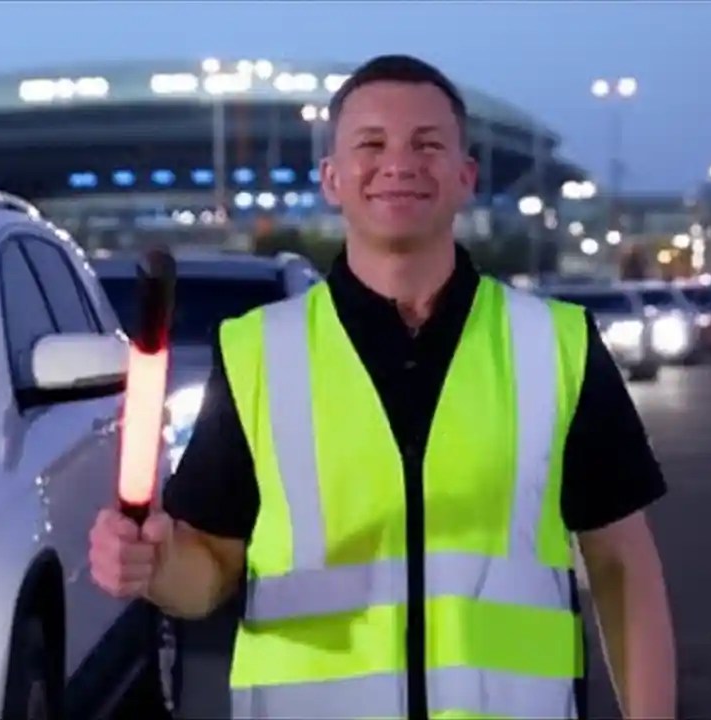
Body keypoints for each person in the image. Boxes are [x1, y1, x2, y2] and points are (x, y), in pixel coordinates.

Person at [89, 54, 677, 720]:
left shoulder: (556, 344)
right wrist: (156, 567)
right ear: (333, 180)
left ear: (465, 177)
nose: (399, 162)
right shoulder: (257, 350)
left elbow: (622, 565)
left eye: (427, 143)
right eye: (372, 144)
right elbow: (211, 571)